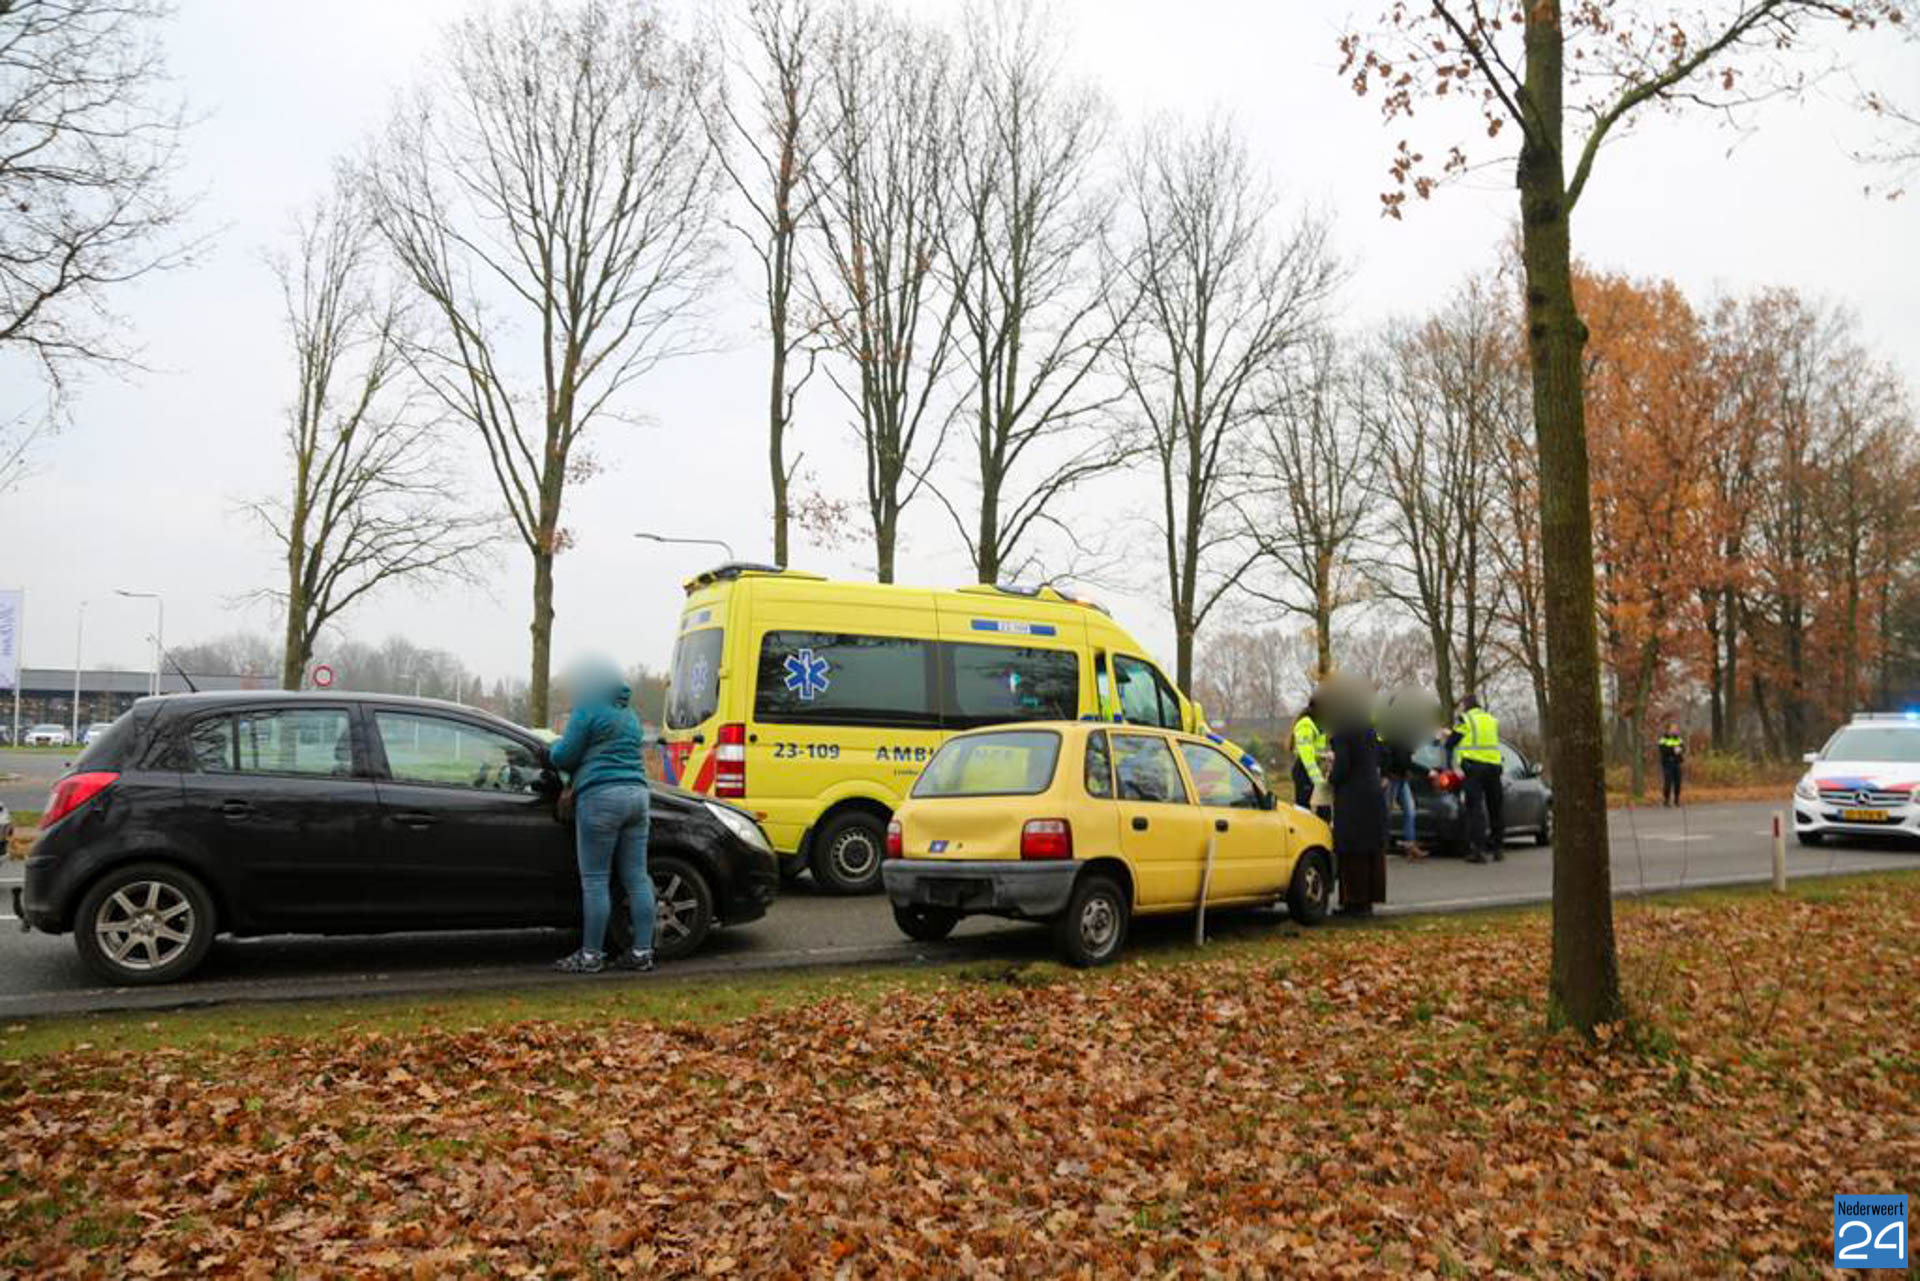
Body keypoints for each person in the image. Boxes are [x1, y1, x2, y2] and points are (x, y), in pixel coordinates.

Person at [548, 657, 656, 974]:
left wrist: (553, 748)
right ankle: (642, 952)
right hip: (638, 797)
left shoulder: (588, 708)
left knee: (595, 880)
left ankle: (591, 956)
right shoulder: (629, 715)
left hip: (601, 798)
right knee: (637, 878)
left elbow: (564, 756)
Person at [1327, 687, 1387, 915]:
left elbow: (1343, 765)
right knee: (1371, 848)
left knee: (1352, 850)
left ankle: (1354, 901)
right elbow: (1383, 755)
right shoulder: (1370, 730)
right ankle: (1368, 901)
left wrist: (1331, 778)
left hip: (1353, 797)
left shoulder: (1343, 731)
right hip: (1372, 794)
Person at [1448, 694, 1504, 864]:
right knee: (1495, 807)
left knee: (1475, 808)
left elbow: (1451, 743)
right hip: (1494, 767)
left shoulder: (1465, 719)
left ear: (1465, 706)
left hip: (1474, 768)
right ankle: (1498, 848)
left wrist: (1446, 736)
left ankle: (1477, 850)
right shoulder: (1491, 720)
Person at [1291, 696, 1329, 815]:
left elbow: (1313, 751)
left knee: (1323, 808)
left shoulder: (1317, 725)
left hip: (1311, 771)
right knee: (1303, 810)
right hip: (1304, 771)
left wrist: (1324, 756)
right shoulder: (1306, 725)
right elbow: (1306, 756)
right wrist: (1318, 780)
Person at [1658, 724, 1686, 807]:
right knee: (1668, 782)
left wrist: (1675, 750)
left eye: (1676, 729)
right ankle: (1666, 800)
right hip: (1667, 763)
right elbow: (1663, 750)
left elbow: (1682, 748)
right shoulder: (1663, 739)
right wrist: (1674, 750)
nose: (1675, 730)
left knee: (1678, 782)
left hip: (1676, 763)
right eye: (1673, 729)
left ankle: (1677, 800)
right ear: (1668, 730)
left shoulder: (1678, 739)